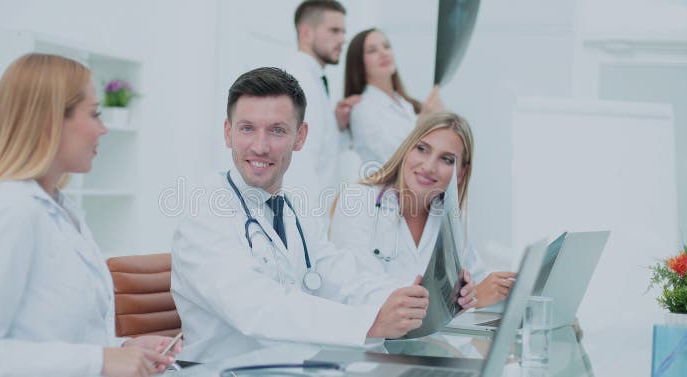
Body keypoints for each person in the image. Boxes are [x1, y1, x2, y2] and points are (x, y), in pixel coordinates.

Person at [170, 67, 478, 363]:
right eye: (247, 129)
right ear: (228, 133)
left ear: (300, 137)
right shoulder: (204, 215)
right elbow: (259, 307)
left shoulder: (294, 210)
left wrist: (419, 299)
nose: (260, 146)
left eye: (277, 130)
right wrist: (369, 322)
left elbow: (343, 277)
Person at [0, 53, 180, 377]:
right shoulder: (10, 210)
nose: (103, 129)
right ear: (51, 120)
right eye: (94, 114)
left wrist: (122, 350)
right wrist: (100, 361)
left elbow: (58, 337)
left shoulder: (60, 211)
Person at [330, 112, 516, 309]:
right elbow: (361, 291)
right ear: (407, 150)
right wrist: (458, 303)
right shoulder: (358, 201)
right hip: (375, 338)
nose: (428, 166)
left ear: (461, 174)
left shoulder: (452, 220)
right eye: (422, 149)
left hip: (435, 339)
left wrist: (486, 290)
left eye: (446, 159)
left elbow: (477, 281)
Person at [283, 0, 361, 213]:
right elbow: (301, 157)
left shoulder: (314, 79)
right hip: (308, 213)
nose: (343, 39)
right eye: (334, 31)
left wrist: (338, 127)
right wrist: (313, 227)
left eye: (343, 32)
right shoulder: (299, 82)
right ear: (306, 33)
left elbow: (321, 147)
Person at [344, 28, 445, 165]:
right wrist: (423, 123)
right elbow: (393, 159)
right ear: (359, 63)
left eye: (386, 46)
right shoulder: (362, 110)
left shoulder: (406, 104)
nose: (383, 53)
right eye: (372, 50)